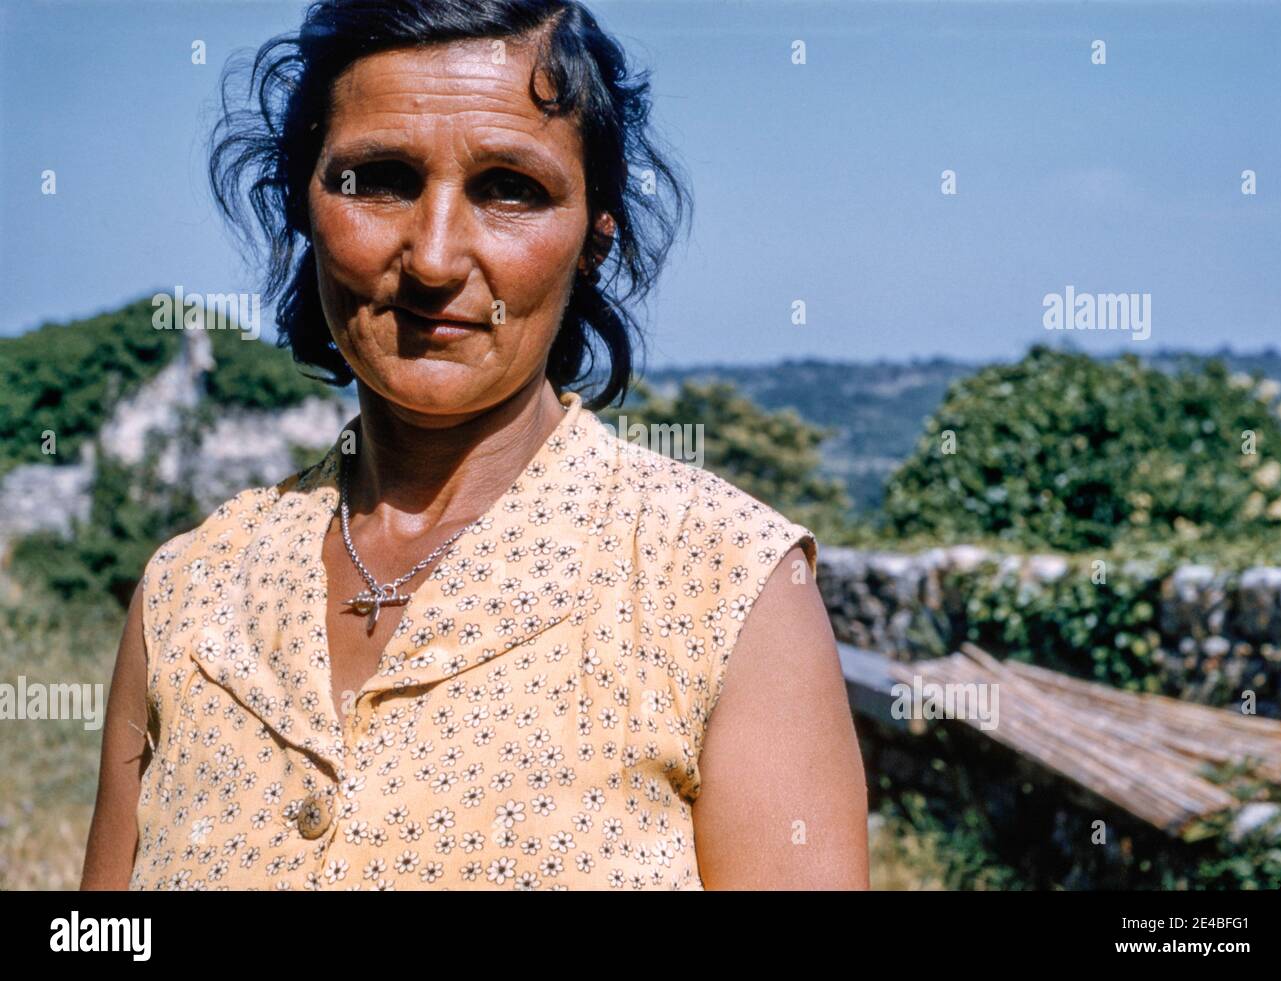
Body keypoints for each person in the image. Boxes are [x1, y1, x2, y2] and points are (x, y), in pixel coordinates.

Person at [81, 0, 868, 890]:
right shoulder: (188, 597)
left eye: (508, 189)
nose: (435, 258)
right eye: (379, 178)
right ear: (304, 208)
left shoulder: (723, 590)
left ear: (592, 241)